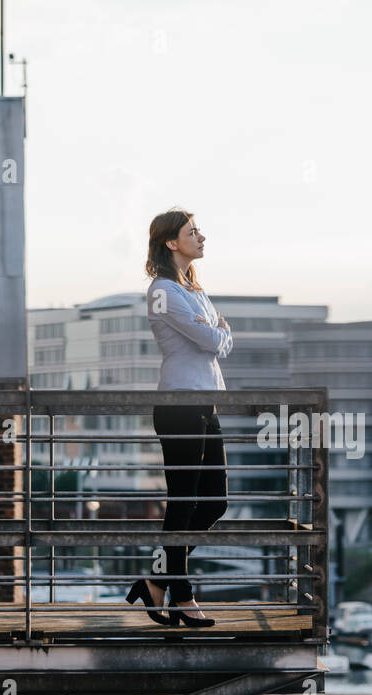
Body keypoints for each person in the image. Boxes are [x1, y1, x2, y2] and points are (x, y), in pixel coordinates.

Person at [125, 208, 232, 629]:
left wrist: (217, 332)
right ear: (172, 242)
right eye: (193, 232)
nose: (202, 237)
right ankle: (182, 596)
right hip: (179, 405)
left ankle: (156, 580)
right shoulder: (162, 291)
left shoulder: (196, 291)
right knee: (184, 500)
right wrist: (218, 331)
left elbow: (219, 338)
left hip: (207, 404)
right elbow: (212, 337)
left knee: (214, 502)